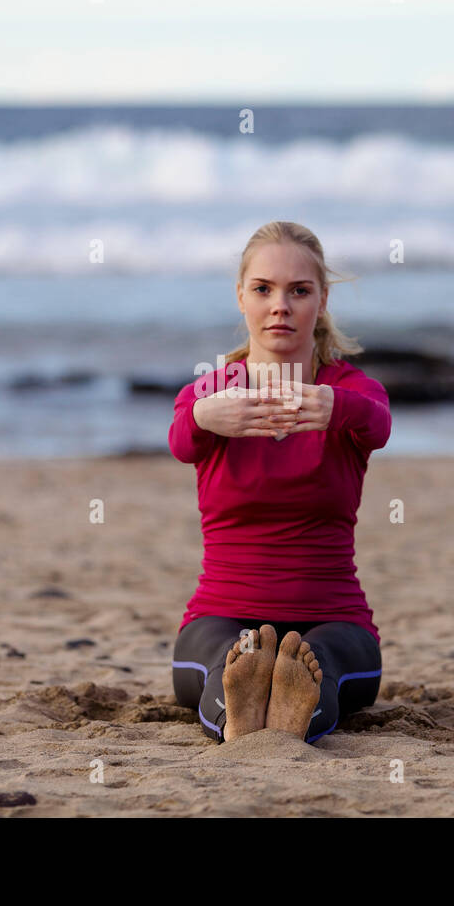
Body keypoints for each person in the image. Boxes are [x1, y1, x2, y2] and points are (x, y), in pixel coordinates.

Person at [168, 220, 391, 745]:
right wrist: (204, 416)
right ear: (240, 297)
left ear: (322, 299)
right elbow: (180, 440)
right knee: (229, 658)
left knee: (321, 662)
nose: (280, 306)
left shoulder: (349, 393)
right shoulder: (212, 394)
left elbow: (378, 424)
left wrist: (338, 406)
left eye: (299, 290)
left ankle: (287, 700)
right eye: (263, 289)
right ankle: (245, 704)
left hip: (333, 620)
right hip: (220, 614)